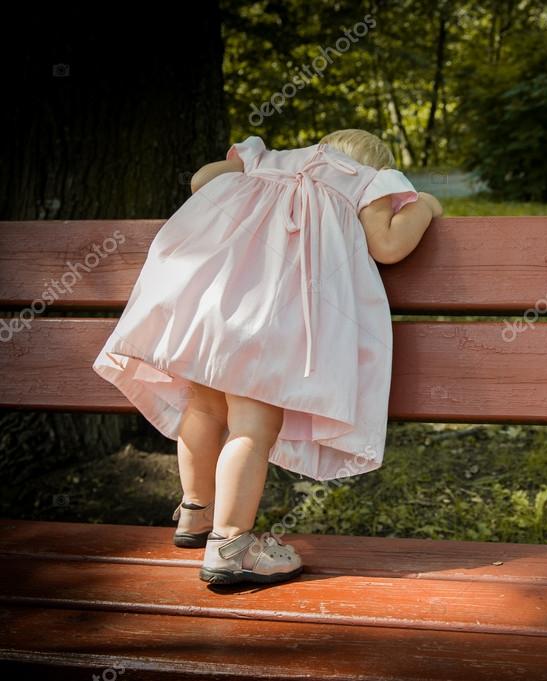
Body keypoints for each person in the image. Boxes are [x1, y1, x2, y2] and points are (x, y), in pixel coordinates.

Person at [92, 129, 443, 585]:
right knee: (252, 427)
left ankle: (195, 512)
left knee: (203, 407)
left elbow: (202, 181)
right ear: (373, 163)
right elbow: (390, 246)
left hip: (212, 303)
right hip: (271, 321)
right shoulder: (366, 180)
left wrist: (250, 173)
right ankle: (231, 546)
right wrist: (424, 206)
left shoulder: (263, 159)